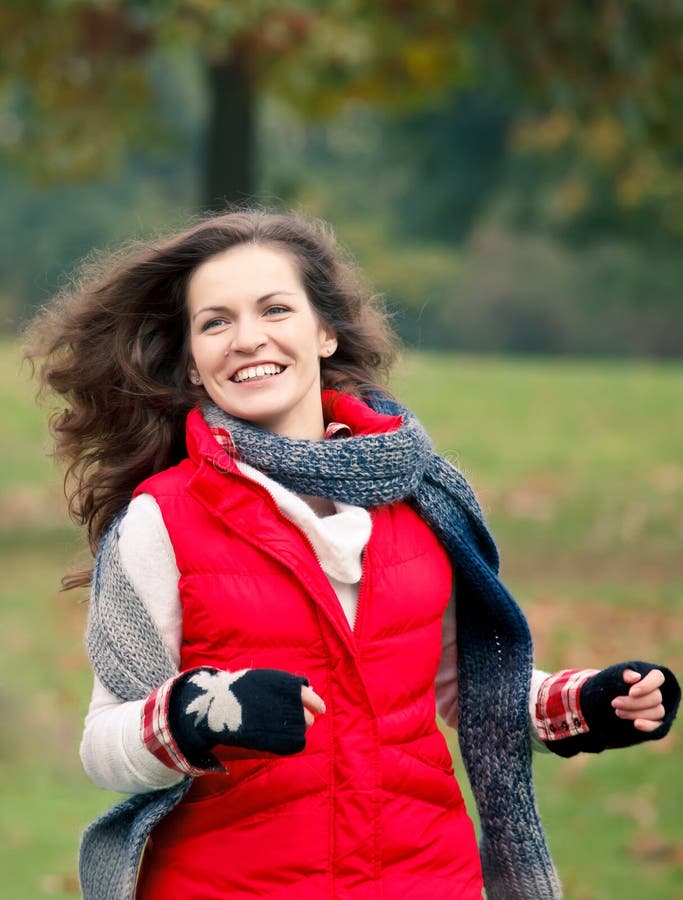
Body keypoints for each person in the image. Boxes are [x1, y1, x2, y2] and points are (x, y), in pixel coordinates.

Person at [27, 210, 679, 900]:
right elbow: (104, 745)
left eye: (274, 309)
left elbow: (469, 690)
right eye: (215, 322)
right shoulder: (162, 519)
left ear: (324, 331)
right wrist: (196, 713)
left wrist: (590, 703)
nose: (248, 339)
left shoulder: (422, 496)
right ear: (191, 358)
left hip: (426, 880)